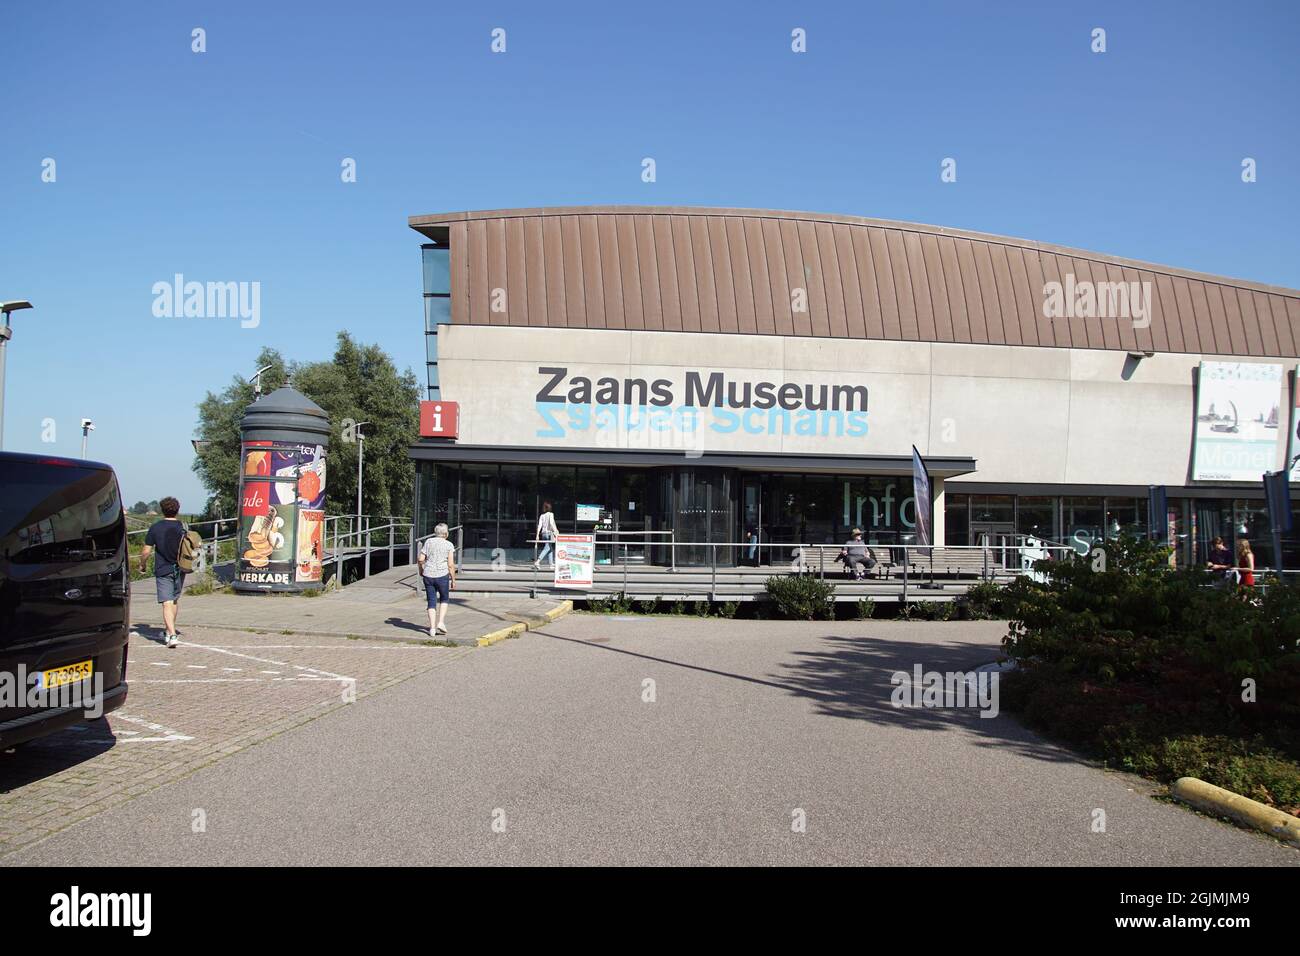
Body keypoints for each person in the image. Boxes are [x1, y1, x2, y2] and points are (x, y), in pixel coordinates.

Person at [138, 496, 186, 648]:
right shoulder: (183, 527)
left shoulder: (156, 527)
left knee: (166, 602)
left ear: (162, 510)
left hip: (163, 568)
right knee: (174, 600)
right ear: (177, 510)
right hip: (180, 568)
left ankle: (172, 635)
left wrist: (142, 564)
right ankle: (168, 630)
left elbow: (146, 551)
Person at [418, 522, 457, 637]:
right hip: (442, 575)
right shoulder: (449, 545)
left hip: (428, 575)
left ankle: (432, 629)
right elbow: (450, 564)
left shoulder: (428, 542)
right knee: (444, 599)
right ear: (445, 533)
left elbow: (420, 559)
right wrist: (453, 579)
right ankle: (440, 622)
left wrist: (422, 569)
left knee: (431, 601)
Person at [532, 501, 558, 570]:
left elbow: (539, 526)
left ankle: (551, 563)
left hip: (543, 534)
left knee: (550, 548)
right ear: (550, 508)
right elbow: (552, 523)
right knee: (547, 548)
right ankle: (538, 561)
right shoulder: (551, 514)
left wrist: (537, 535)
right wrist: (556, 531)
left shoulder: (542, 516)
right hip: (549, 533)